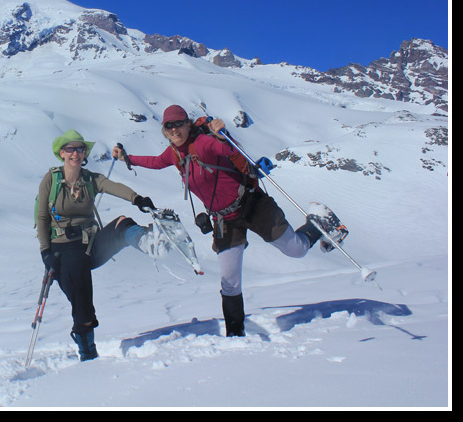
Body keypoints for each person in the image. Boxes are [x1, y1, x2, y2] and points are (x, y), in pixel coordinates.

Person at [112, 105, 342, 338]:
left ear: (187, 123)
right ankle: (235, 334)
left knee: (296, 249)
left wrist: (222, 132)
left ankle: (317, 223)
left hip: (252, 205)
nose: (174, 129)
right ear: (164, 130)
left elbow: (225, 148)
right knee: (229, 281)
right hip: (225, 219)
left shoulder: (202, 143)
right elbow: (154, 162)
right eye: (169, 126)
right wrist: (126, 158)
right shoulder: (173, 153)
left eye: (179, 123)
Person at [36, 129, 167, 361]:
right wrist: (46, 252)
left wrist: (137, 199)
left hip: (90, 246)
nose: (75, 153)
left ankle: (146, 241)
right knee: (81, 300)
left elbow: (113, 186)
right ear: (62, 154)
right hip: (62, 250)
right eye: (70, 149)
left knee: (122, 225)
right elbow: (42, 217)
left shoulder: (90, 179)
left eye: (79, 148)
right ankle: (88, 353)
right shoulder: (51, 179)